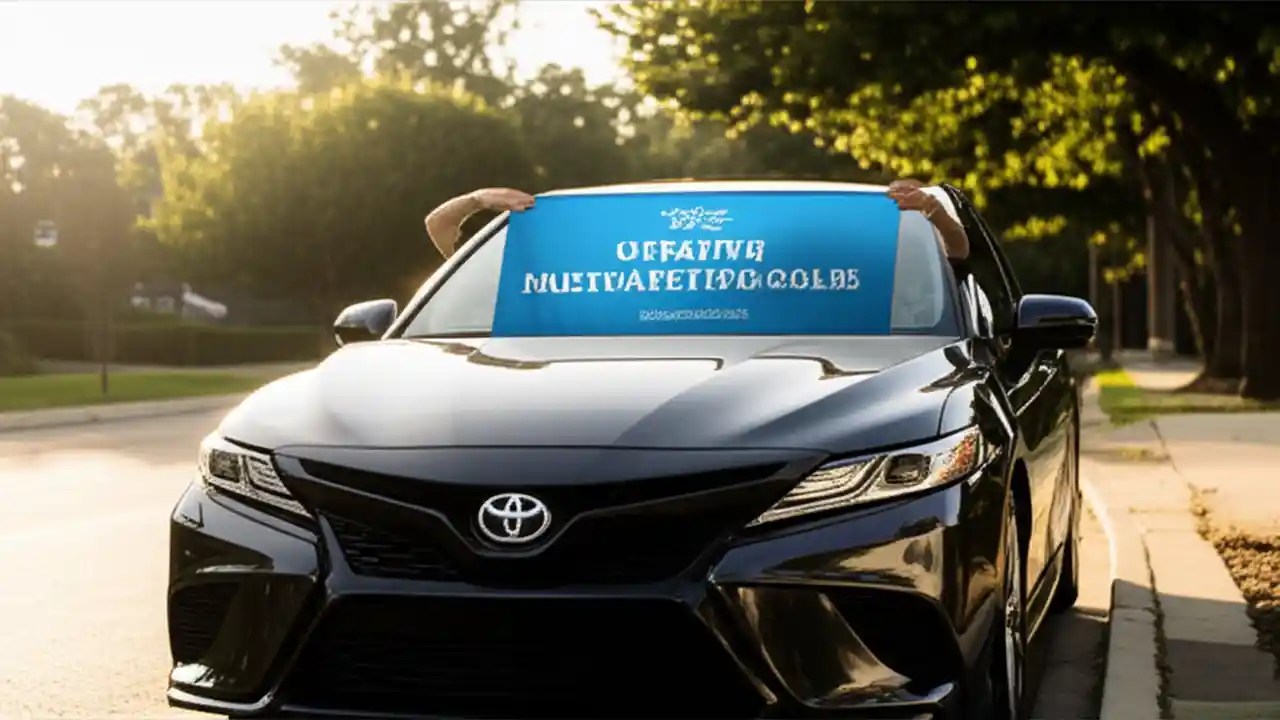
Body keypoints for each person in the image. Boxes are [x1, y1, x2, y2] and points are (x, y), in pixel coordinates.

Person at [424, 180, 968, 261]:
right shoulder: (550, 271)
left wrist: (936, 215)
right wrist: (478, 198)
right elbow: (439, 229)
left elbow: (961, 257)